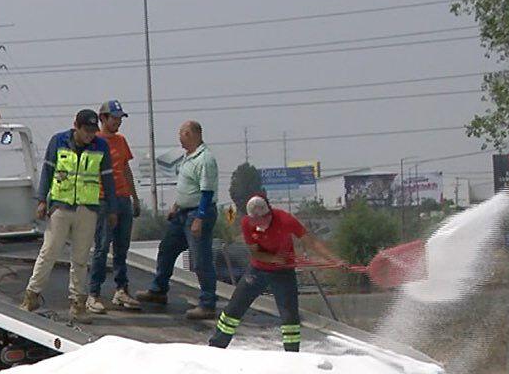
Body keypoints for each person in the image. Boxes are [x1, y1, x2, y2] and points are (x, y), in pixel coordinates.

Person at [208, 195, 342, 352]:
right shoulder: (246, 224)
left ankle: (292, 354)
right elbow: (255, 253)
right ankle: (216, 346)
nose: (261, 223)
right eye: (256, 220)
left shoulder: (285, 220)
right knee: (234, 308)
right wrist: (274, 259)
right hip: (258, 270)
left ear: (269, 212)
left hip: (283, 273)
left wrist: (334, 260)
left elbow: (311, 241)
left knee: (289, 317)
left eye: (264, 218)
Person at [26, 108, 115, 324]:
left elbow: (108, 179)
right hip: (61, 206)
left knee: (81, 258)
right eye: (86, 130)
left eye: (93, 131)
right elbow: (47, 172)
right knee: (49, 251)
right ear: (76, 126)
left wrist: (112, 209)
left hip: (87, 209)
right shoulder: (58, 142)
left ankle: (77, 304)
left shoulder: (101, 146)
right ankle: (31, 296)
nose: (90, 135)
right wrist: (41, 200)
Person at [136, 120, 220, 321]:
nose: (179, 139)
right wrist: (176, 206)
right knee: (167, 249)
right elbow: (187, 187)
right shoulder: (187, 157)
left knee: (200, 259)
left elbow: (206, 192)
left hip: (197, 213)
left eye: (181, 135)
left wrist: (200, 217)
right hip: (182, 213)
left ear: (191, 135)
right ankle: (158, 290)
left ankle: (207, 303)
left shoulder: (205, 159)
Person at [86, 100, 141, 313]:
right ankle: (93, 293)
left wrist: (134, 197)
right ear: (103, 118)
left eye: (120, 118)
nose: (118, 122)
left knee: (122, 247)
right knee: (102, 246)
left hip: (123, 197)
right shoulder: (95, 141)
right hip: (103, 199)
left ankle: (121, 289)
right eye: (114, 118)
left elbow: (125, 169)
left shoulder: (121, 140)